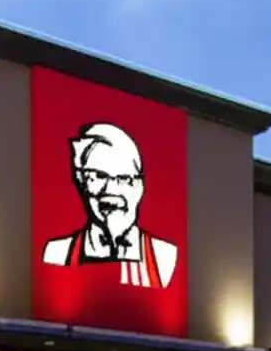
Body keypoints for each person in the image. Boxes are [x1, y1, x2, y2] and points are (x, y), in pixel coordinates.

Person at [41, 122, 178, 289]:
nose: (110, 190)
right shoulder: (58, 253)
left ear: (140, 187)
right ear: (81, 182)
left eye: (123, 178)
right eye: (99, 176)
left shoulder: (164, 255)